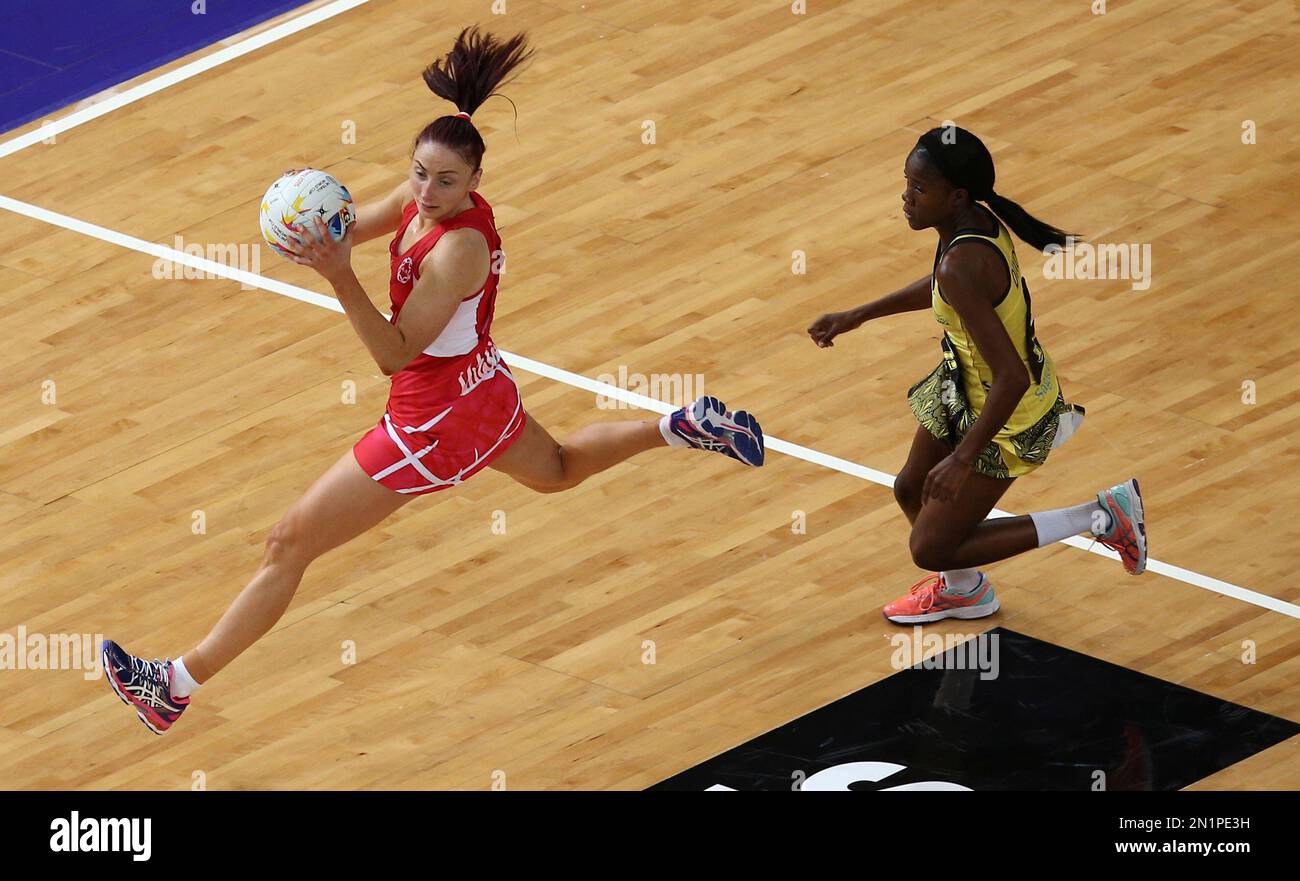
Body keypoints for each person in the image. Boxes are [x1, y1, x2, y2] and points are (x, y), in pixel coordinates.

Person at [102, 27, 763, 734]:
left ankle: (173, 685)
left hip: (432, 422)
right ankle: (679, 425)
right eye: (419, 173)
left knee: (288, 543)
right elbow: (359, 223)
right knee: (560, 468)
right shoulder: (426, 204)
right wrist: (311, 222)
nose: (426, 190)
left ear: (476, 183)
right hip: (485, 388)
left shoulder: (459, 250)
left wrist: (337, 277)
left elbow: (391, 351)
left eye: (445, 181)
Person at [807, 126, 1146, 624]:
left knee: (929, 548)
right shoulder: (968, 228)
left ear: (956, 196)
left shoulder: (964, 260)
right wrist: (859, 314)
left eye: (919, 189)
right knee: (910, 488)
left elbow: (1010, 376)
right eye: (907, 182)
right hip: (964, 384)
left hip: (1007, 411)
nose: (906, 197)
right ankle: (965, 591)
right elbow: (945, 289)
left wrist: (964, 458)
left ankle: (1101, 517)